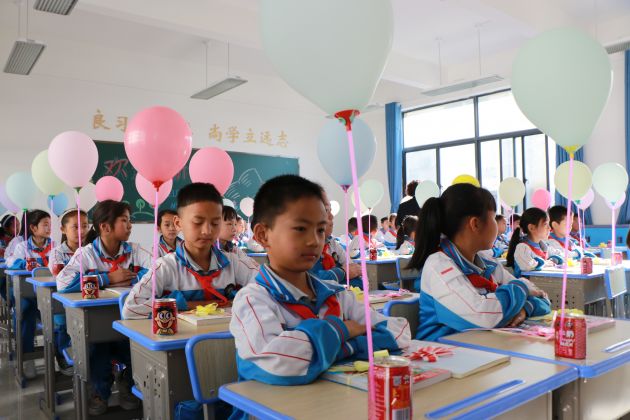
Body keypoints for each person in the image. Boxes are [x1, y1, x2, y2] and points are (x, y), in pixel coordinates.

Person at [229, 175, 410, 392]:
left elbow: (400, 333)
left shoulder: (337, 296)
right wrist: (344, 329)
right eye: (300, 229)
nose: (314, 240)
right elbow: (280, 361)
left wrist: (341, 343)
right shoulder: (252, 300)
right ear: (262, 234)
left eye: (320, 230)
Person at [407, 184, 550, 341]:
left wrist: (525, 309)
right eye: (494, 218)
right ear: (475, 223)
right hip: (444, 356)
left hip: (484, 349)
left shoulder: (488, 263)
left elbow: (543, 299)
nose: (498, 225)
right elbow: (484, 315)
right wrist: (522, 287)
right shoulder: (438, 265)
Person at [56, 200, 150, 415]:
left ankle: (127, 384)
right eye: (124, 221)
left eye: (130, 221)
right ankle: (100, 391)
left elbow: (157, 272)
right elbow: (62, 283)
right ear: (105, 227)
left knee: (133, 348)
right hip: (96, 322)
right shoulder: (86, 254)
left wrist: (134, 279)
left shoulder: (134, 250)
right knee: (98, 350)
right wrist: (106, 278)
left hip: (129, 320)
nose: (130, 225)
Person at [123, 183, 258, 319]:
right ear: (178, 223)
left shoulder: (233, 262)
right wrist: (187, 304)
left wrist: (240, 299)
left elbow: (270, 289)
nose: (207, 231)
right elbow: (131, 309)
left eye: (215, 223)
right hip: (183, 339)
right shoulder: (165, 267)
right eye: (198, 222)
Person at [6, 209, 52, 379]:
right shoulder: (22, 246)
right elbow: (10, 262)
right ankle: (27, 357)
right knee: (25, 311)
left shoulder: (53, 246)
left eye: (50, 225)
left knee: (60, 316)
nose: (48, 228)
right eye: (45, 225)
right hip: (28, 295)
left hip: (48, 295)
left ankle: (61, 356)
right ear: (33, 228)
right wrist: (22, 263)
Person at [48, 208, 89, 376]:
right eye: (76, 227)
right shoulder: (57, 252)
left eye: (85, 226)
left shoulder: (91, 249)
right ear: (63, 230)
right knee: (64, 322)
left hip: (86, 299)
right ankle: (63, 354)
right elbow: (61, 275)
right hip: (63, 301)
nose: (82, 231)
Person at [310, 187, 362, 287]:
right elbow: (311, 281)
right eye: (326, 210)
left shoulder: (332, 243)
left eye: (331, 210)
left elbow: (355, 273)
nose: (332, 216)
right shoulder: (307, 248)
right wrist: (342, 272)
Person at [506, 208, 563, 277]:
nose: (549, 228)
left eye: (549, 224)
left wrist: (555, 260)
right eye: (545, 224)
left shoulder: (542, 246)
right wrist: (546, 263)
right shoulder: (522, 247)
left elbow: (559, 254)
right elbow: (528, 265)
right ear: (531, 228)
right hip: (526, 286)